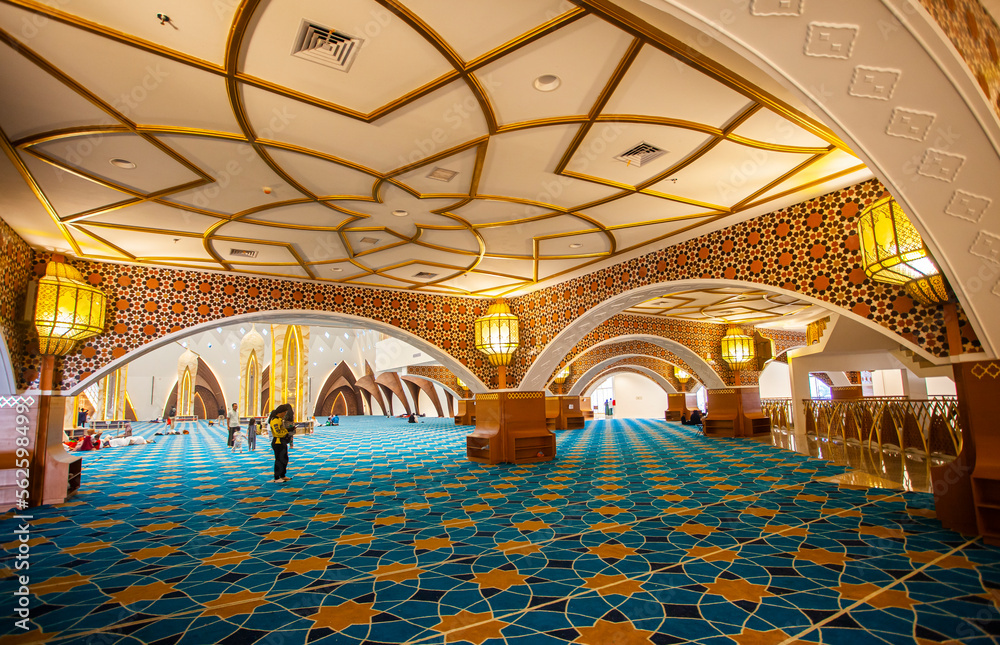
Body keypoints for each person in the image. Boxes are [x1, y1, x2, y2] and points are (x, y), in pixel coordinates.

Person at [268, 404, 293, 483]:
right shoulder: (275, 420)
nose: (285, 414)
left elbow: (282, 429)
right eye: (284, 412)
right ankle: (277, 477)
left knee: (284, 459)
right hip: (278, 442)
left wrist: (288, 430)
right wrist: (285, 434)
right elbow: (277, 432)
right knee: (279, 460)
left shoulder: (279, 419)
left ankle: (282, 475)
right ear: (281, 412)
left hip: (282, 441)